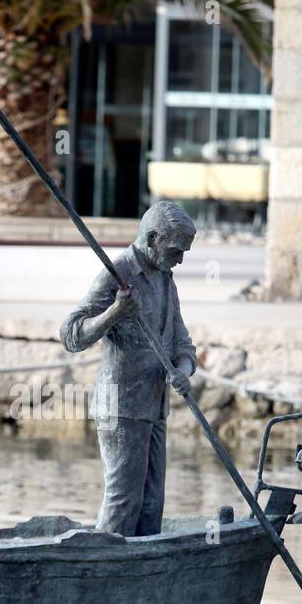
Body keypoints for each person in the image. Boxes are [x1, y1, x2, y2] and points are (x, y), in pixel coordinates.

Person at [59, 201, 198, 537]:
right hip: (121, 407)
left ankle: (144, 568)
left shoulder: (166, 279)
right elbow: (71, 335)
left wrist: (183, 368)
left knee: (152, 502)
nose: (180, 259)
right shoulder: (116, 274)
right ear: (152, 239)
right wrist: (115, 313)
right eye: (176, 250)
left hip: (155, 406)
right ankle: (104, 565)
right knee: (124, 500)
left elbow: (182, 341)